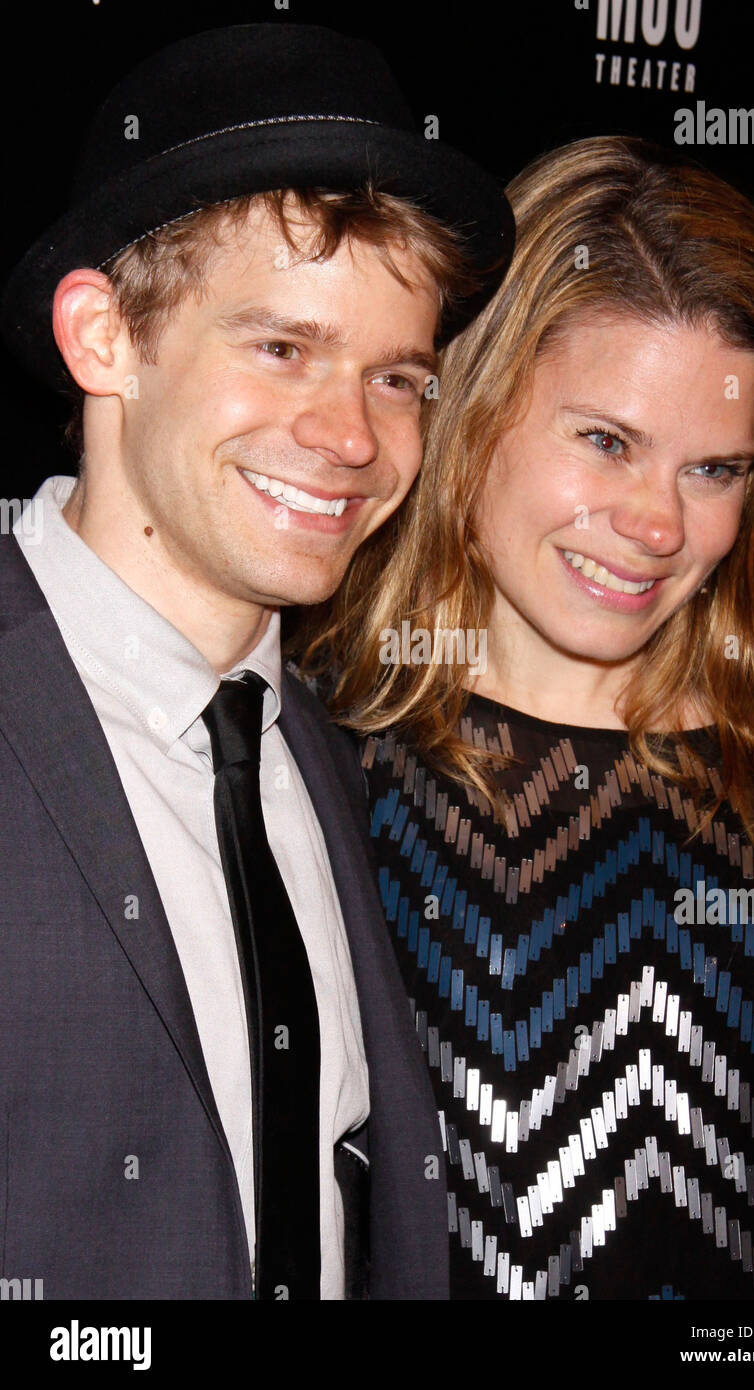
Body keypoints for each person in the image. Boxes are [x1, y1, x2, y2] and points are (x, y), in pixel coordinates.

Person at [295, 137, 754, 1299]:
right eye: (606, 441)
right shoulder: (318, 766)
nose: (657, 523)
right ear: (476, 408)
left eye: (712, 469)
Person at [0, 22, 514, 1300]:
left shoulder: (331, 760)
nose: (351, 435)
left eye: (398, 377)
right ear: (103, 337)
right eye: (280, 348)